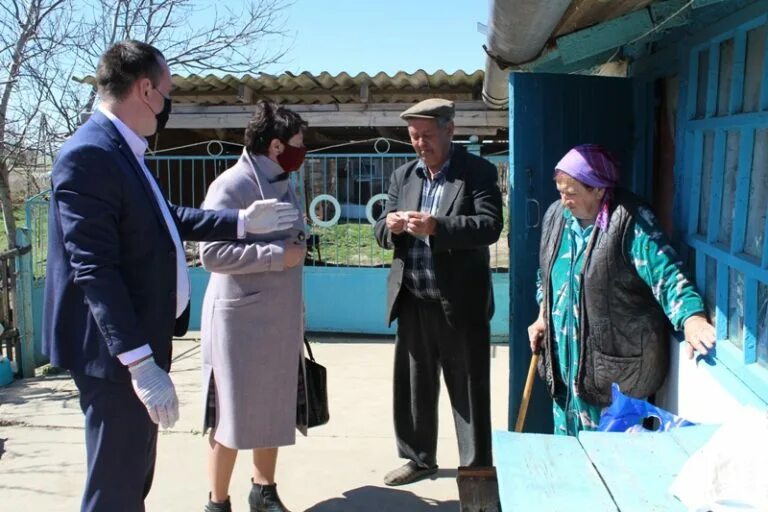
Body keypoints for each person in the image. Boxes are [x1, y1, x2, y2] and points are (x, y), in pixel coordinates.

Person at [42, 41, 299, 512]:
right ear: (145, 89)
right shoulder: (90, 155)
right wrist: (139, 363)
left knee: (133, 478)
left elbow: (165, 216)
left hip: (135, 343)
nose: (168, 103)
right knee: (115, 486)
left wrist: (242, 223)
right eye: (167, 91)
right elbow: (93, 269)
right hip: (113, 355)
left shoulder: (123, 149)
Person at [527, 144, 716, 436]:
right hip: (565, 369)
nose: (564, 200)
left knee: (607, 462)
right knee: (569, 454)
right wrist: (543, 315)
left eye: (572, 193)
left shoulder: (630, 220)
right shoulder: (557, 216)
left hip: (612, 377)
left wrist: (691, 317)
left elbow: (665, 271)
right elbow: (546, 275)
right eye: (560, 191)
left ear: (599, 190)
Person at [374, 98, 503, 486]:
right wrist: (390, 225)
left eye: (427, 135)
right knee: (415, 386)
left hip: (460, 302)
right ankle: (419, 458)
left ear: (450, 129)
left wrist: (438, 227)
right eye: (414, 136)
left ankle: (475, 466)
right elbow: (381, 231)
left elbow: (489, 226)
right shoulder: (404, 176)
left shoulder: (476, 171)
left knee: (468, 387)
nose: (420, 144)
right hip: (414, 299)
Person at [198, 100, 308, 512]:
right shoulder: (231, 186)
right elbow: (211, 255)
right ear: (276, 146)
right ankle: (218, 500)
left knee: (274, 407)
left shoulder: (283, 179)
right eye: (298, 143)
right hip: (239, 324)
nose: (303, 150)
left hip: (279, 319)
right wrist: (277, 256)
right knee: (231, 415)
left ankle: (263, 489)